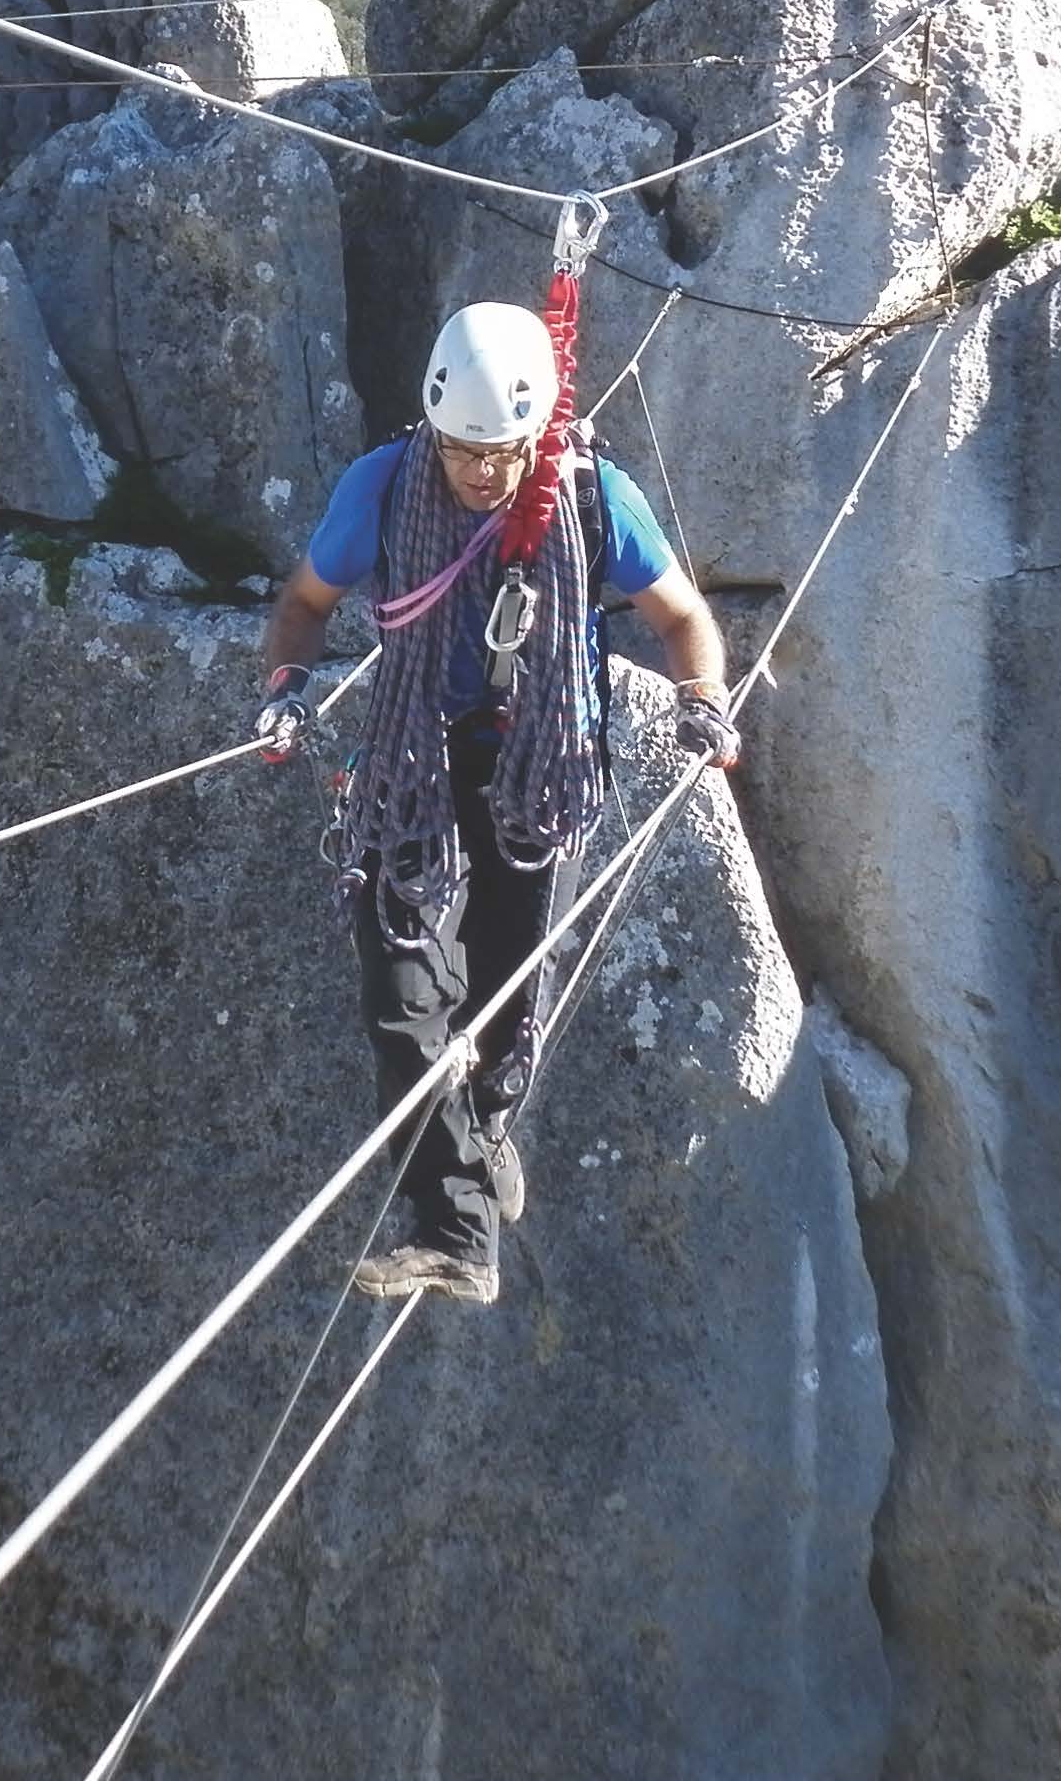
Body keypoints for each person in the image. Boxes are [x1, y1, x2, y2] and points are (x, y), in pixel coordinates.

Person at [251, 299, 739, 1305]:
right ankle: (456, 1236)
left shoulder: (593, 495)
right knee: (400, 999)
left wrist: (702, 701)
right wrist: (285, 686)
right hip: (413, 757)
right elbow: (303, 603)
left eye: (500, 452)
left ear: (536, 435)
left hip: (538, 764)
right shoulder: (385, 485)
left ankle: (484, 1139)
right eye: (461, 449)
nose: (479, 472)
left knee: (505, 1002)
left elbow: (683, 618)